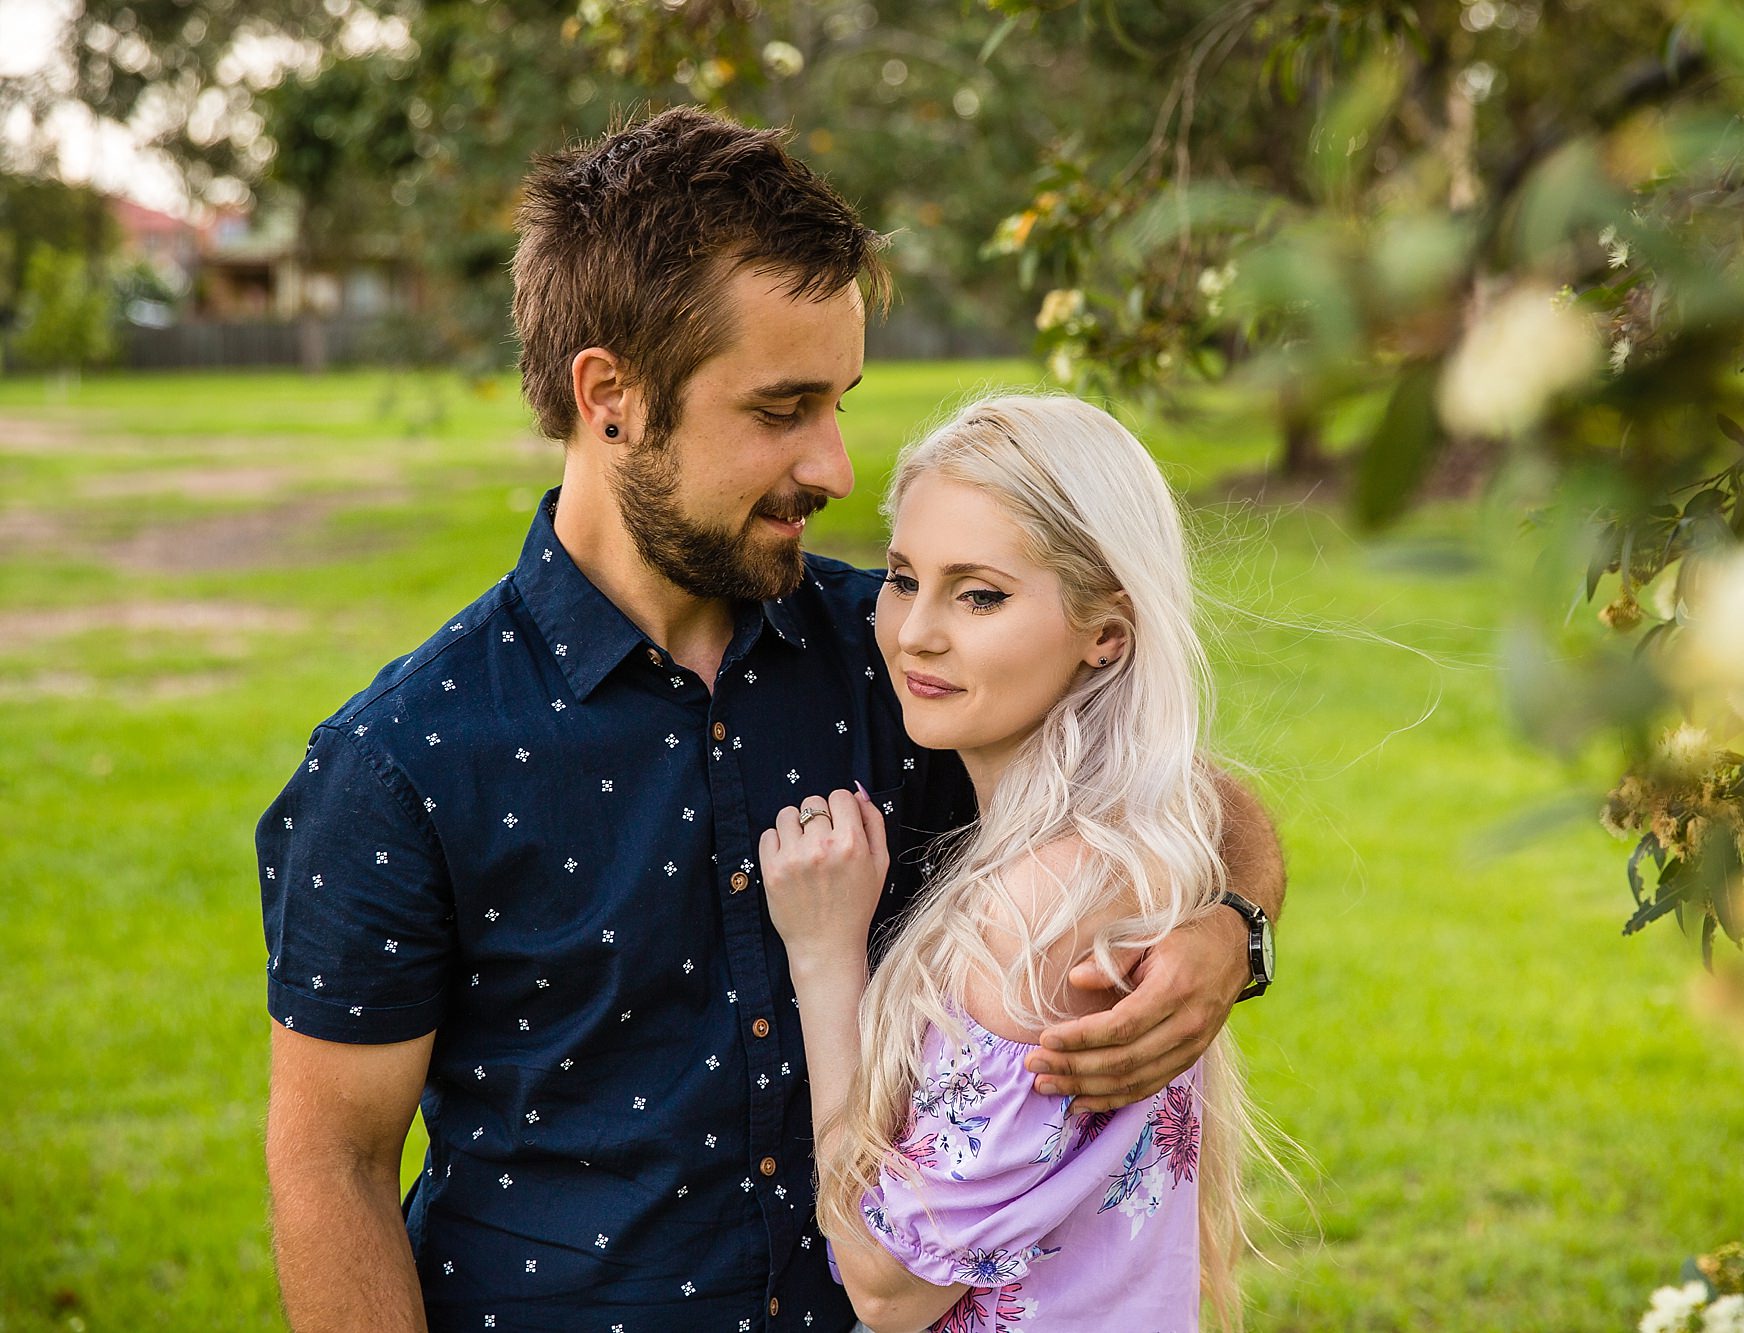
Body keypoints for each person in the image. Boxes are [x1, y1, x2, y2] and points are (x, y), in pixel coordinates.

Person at [256, 106, 1283, 1332]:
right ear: (611, 397)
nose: (837, 466)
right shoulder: (402, 760)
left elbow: (1172, 783)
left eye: (839, 401)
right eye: (782, 408)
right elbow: (334, 1169)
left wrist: (1231, 931)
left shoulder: (898, 652)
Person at [761, 395, 1261, 1333]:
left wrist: (825, 957)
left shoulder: (1034, 909)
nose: (915, 632)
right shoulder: (1140, 848)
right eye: (903, 577)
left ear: (1106, 632)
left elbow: (890, 1284)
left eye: (979, 593)